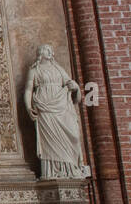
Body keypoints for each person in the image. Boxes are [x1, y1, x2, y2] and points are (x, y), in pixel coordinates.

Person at [23, 44, 86, 178]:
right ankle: (53, 172)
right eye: (47, 50)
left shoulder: (58, 69)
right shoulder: (35, 70)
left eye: (51, 50)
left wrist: (74, 86)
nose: (50, 52)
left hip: (61, 105)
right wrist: (28, 107)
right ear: (40, 53)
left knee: (73, 134)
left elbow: (69, 82)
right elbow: (28, 89)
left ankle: (70, 168)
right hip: (44, 107)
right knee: (50, 142)